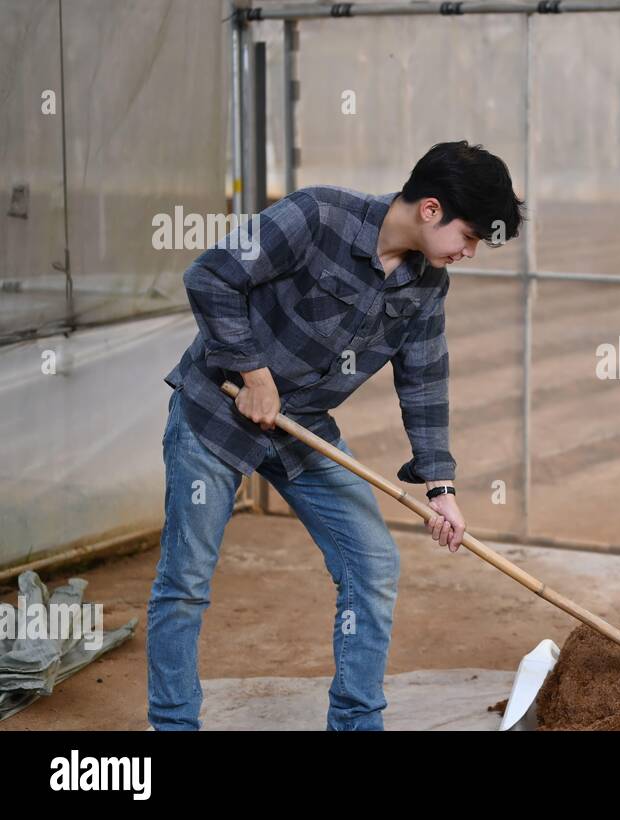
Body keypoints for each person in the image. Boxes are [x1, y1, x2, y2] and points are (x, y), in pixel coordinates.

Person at [148, 141, 525, 730]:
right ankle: (172, 727)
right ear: (431, 209)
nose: (470, 252)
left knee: (372, 563)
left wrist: (440, 486)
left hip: (303, 429)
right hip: (217, 414)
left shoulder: (428, 285)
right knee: (186, 581)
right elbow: (212, 276)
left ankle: (355, 723)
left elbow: (424, 380)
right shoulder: (317, 216)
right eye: (470, 237)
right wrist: (252, 372)